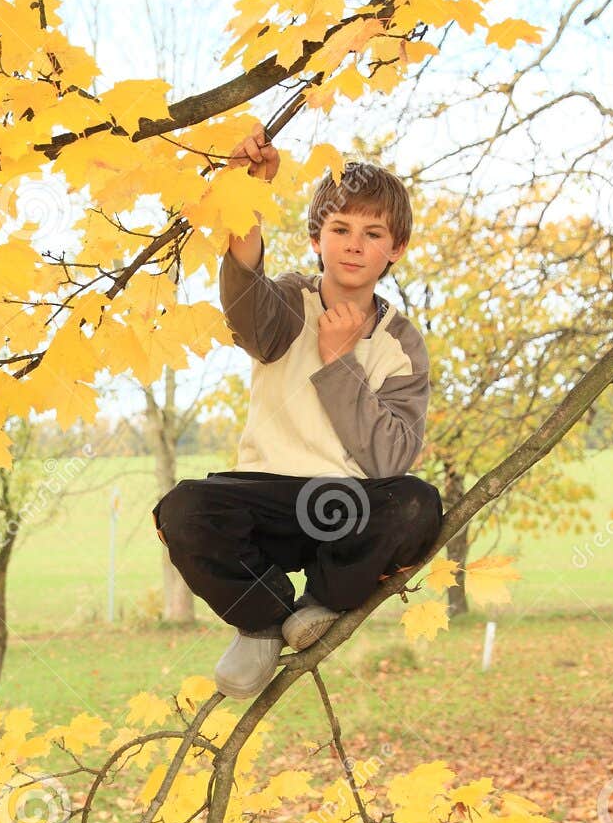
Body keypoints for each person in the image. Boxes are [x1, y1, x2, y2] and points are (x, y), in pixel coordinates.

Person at [151, 124, 444, 699]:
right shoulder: (289, 302)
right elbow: (245, 312)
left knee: (416, 504)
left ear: (397, 248)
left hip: (342, 508)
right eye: (340, 229)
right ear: (317, 238)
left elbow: (389, 456)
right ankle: (260, 620)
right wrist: (246, 200)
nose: (354, 244)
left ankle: (319, 604)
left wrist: (339, 365)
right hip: (263, 496)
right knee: (183, 509)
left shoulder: (401, 341)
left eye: (372, 232)